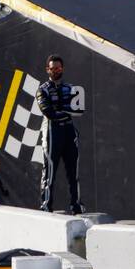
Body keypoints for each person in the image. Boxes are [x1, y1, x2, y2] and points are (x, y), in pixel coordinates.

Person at [37, 54, 83, 215]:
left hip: (69, 132)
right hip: (51, 134)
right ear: (47, 70)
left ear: (62, 68)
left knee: (73, 172)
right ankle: (46, 205)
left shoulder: (70, 88)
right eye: (52, 68)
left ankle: (76, 205)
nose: (56, 71)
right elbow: (49, 112)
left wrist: (61, 109)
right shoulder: (42, 90)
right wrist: (64, 110)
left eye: (58, 68)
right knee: (49, 171)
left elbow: (78, 110)